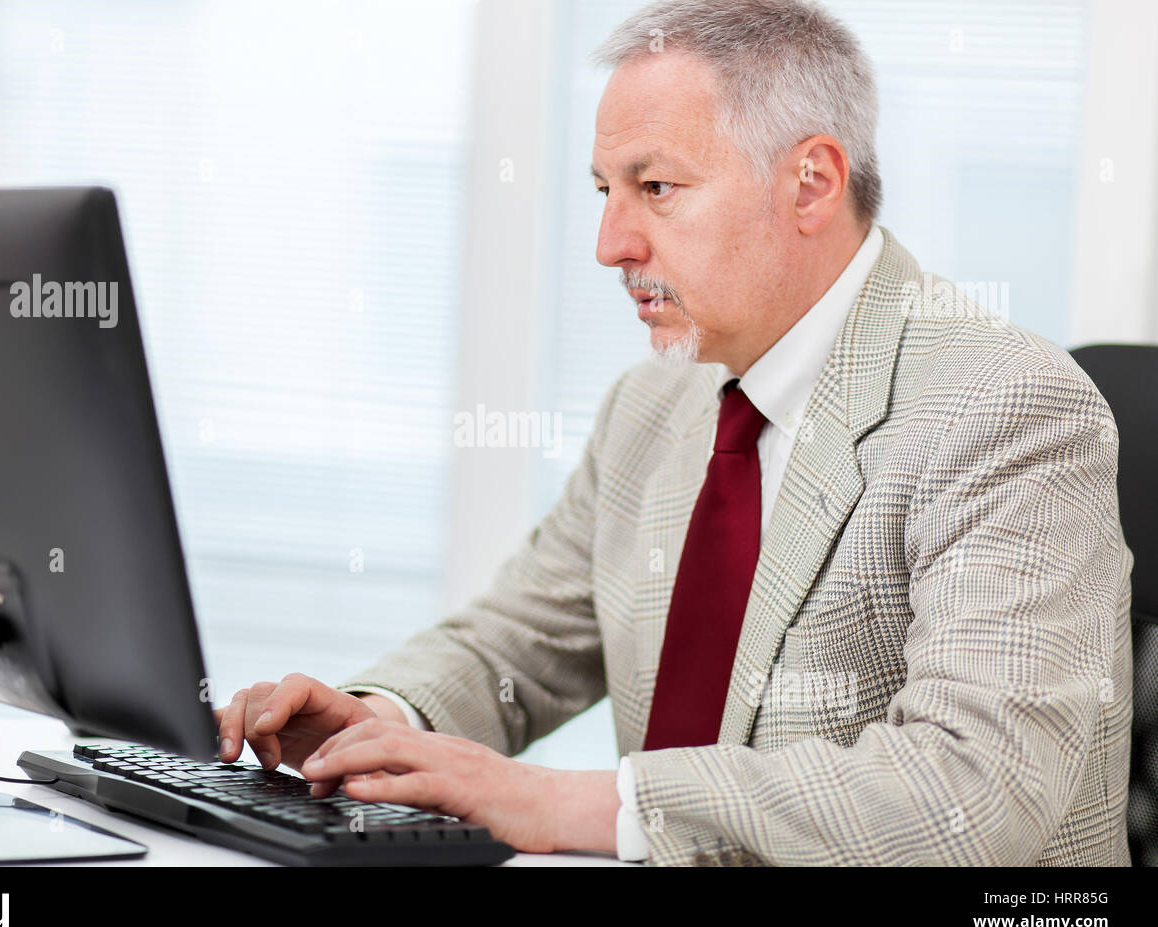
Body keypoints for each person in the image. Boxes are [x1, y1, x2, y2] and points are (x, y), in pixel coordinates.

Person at [216, 0, 1133, 866]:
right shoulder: (655, 407)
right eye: (606, 190)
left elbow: (976, 788)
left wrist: (572, 805)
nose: (613, 242)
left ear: (810, 182)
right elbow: (517, 647)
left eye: (657, 187)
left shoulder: (1007, 406)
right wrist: (380, 720)